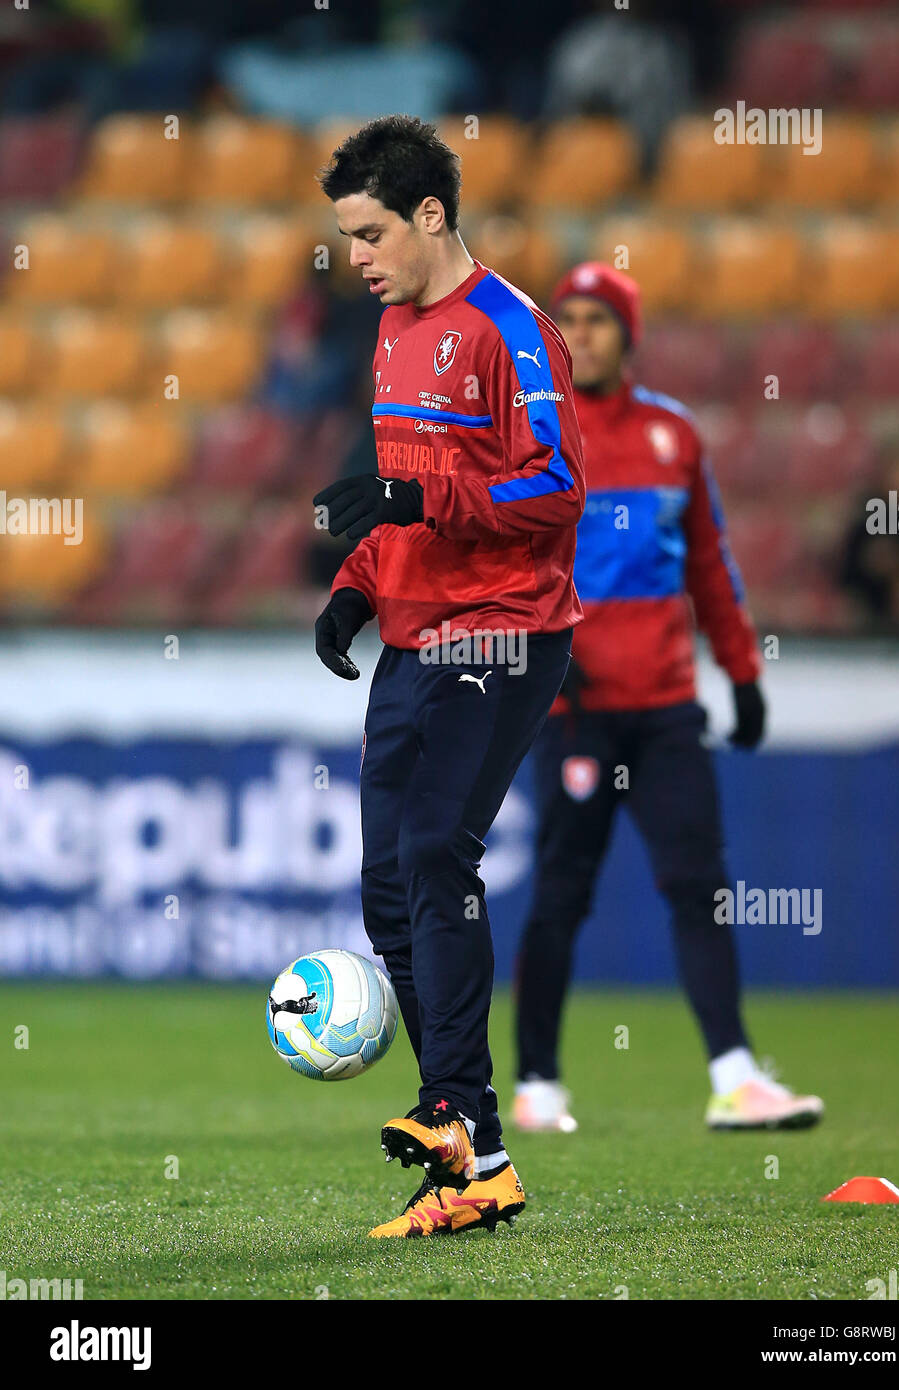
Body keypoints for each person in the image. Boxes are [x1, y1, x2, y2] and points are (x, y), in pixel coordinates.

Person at [312, 116, 585, 1236]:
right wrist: (356, 587)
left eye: (371, 233)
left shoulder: (513, 329)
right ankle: (477, 1162)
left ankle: (448, 1106)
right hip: (415, 636)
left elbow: (557, 487)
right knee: (388, 891)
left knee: (435, 849)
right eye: (344, 238)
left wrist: (419, 503)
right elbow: (402, 501)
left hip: (506, 629)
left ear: (430, 213)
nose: (357, 257)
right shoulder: (391, 333)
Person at [513, 262, 824, 1134]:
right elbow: (501, 561)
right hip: (574, 706)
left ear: (629, 334)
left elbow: (710, 565)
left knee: (699, 887)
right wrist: (541, 652)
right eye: (567, 318)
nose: (581, 333)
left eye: (598, 318)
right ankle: (536, 1085)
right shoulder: (535, 436)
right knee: (563, 892)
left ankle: (734, 1076)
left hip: (665, 710)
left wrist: (745, 673)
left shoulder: (672, 436)